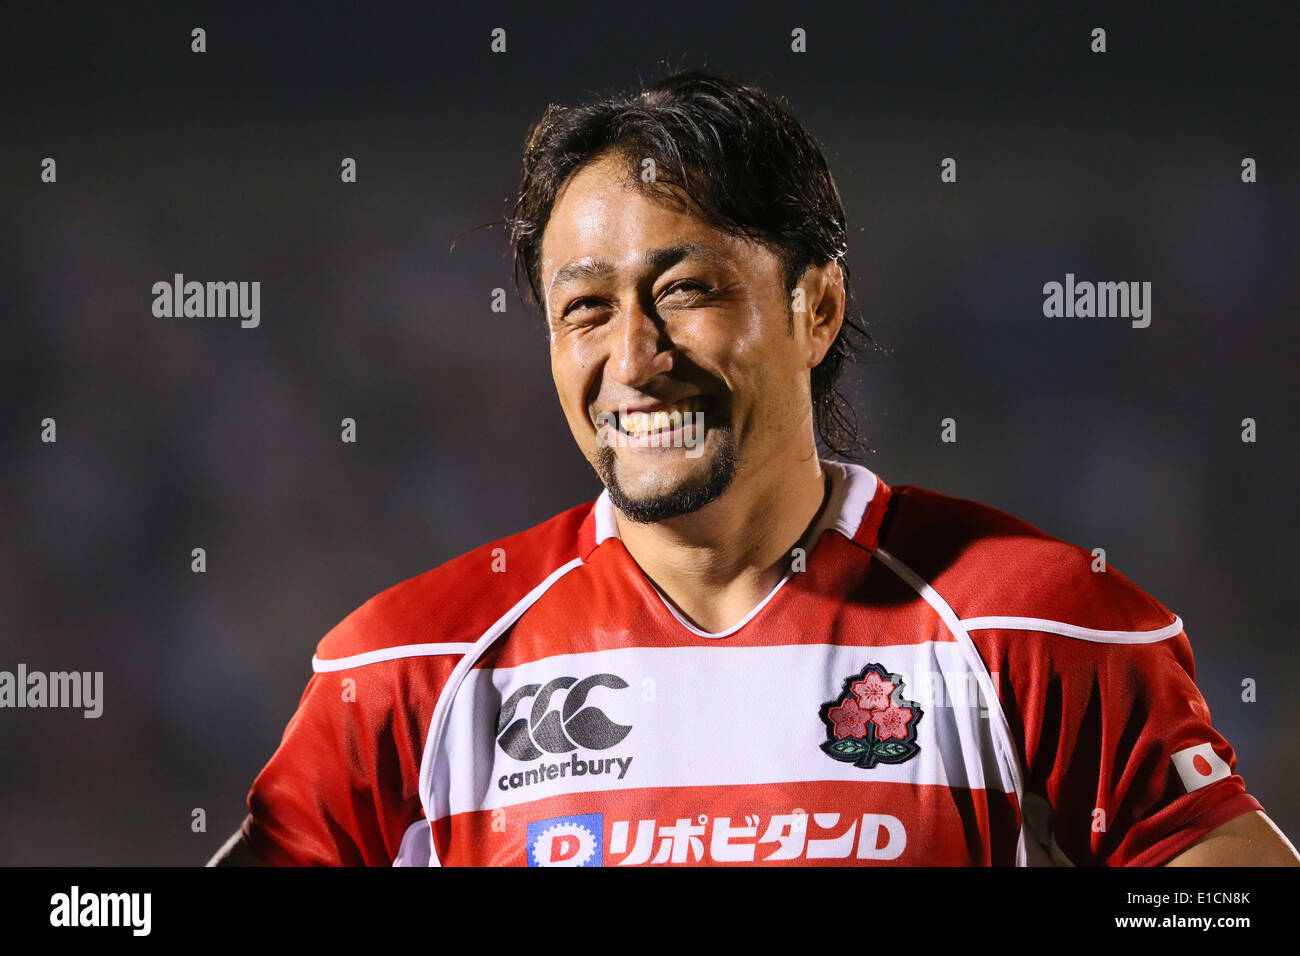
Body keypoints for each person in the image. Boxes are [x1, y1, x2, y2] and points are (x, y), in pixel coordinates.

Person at [209, 70, 1297, 867]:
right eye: (585, 309)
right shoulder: (412, 660)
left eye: (685, 290)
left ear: (815, 307)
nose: (632, 358)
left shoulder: (1030, 618)